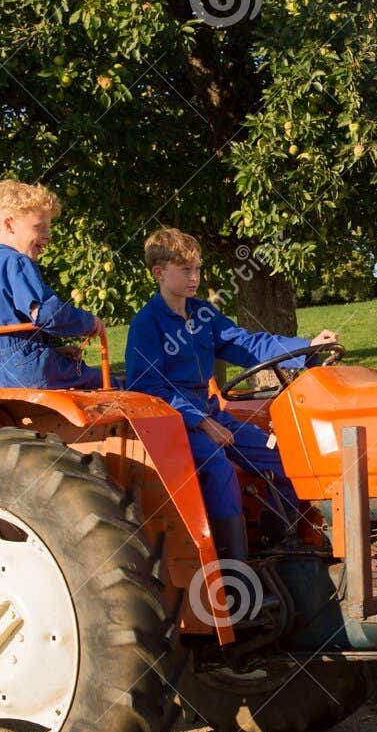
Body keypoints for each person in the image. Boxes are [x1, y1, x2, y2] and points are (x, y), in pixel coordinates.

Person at [124, 227, 337, 568]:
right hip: (176, 423)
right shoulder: (146, 325)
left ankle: (281, 545)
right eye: (186, 270)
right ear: (159, 273)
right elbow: (147, 386)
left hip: (211, 413)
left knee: (286, 457)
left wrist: (307, 347)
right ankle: (233, 568)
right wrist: (202, 422)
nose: (195, 278)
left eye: (197, 269)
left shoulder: (202, 315)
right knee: (218, 467)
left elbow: (248, 345)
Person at [0, 179, 114, 390]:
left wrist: (54, 352)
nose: (47, 235)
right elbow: (44, 313)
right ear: (9, 224)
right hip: (29, 368)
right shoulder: (17, 261)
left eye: (48, 228)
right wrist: (89, 322)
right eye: (39, 227)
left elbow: (4, 337)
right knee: (106, 384)